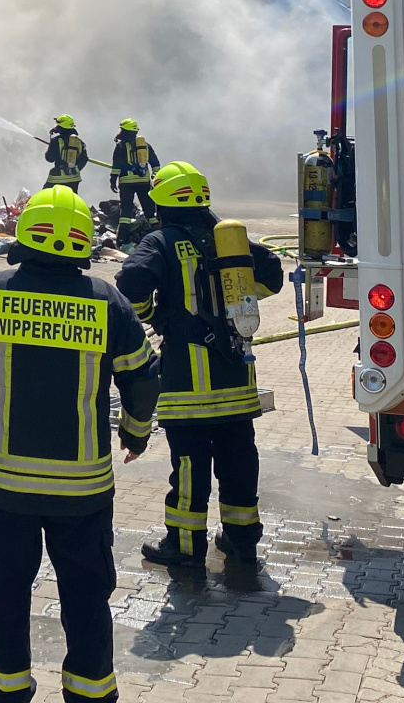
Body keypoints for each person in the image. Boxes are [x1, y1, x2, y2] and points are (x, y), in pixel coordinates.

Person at [0, 185, 160, 702]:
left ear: (25, 235)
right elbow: (143, 379)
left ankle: (8, 692)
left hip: (5, 490)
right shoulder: (106, 301)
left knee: (5, 596)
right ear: (82, 243)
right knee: (87, 598)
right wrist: (135, 434)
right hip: (83, 492)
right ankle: (91, 694)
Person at [116, 161, 285, 571]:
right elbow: (273, 276)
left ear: (163, 204)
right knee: (239, 459)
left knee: (190, 465)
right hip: (236, 374)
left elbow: (130, 280)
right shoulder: (228, 239)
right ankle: (242, 541)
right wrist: (238, 306)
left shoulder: (161, 241)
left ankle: (185, 545)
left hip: (189, 381)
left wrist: (155, 316)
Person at [108, 119, 160, 243]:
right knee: (149, 210)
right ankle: (156, 234)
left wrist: (112, 180)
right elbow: (155, 164)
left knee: (125, 211)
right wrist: (155, 178)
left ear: (124, 130)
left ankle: (122, 239)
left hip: (126, 183)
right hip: (143, 181)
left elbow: (116, 166)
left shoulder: (120, 146)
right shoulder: (146, 145)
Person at [44, 115, 89, 189]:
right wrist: (73, 170)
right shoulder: (80, 143)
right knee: (71, 198)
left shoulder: (55, 141)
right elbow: (84, 159)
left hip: (57, 177)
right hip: (74, 179)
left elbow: (49, 159)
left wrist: (51, 146)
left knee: (44, 196)